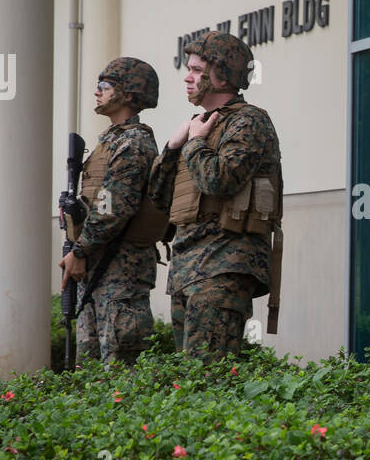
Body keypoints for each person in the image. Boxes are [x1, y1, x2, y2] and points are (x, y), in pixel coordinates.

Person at [149, 31, 282, 362]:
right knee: (188, 381)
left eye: (196, 69)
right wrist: (172, 148)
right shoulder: (200, 125)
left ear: (221, 74)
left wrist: (194, 144)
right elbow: (159, 199)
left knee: (208, 377)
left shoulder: (249, 121)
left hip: (224, 265)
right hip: (187, 267)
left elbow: (221, 181)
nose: (188, 77)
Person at [58, 57, 167, 364]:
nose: (97, 92)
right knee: (90, 370)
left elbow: (112, 207)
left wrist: (80, 251)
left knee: (121, 370)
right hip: (99, 267)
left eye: (104, 87)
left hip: (121, 271)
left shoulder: (133, 142)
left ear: (128, 95)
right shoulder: (111, 141)